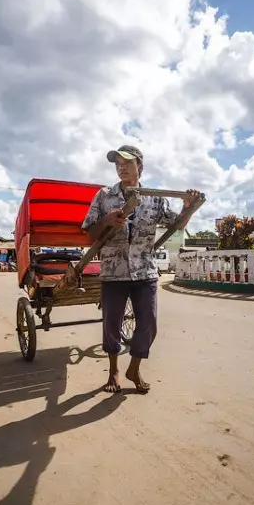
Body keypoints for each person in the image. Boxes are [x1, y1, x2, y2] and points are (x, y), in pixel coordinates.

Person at [81, 144, 200, 394]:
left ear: (140, 166)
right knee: (111, 323)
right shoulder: (104, 196)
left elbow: (177, 225)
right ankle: (113, 370)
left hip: (144, 270)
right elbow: (90, 231)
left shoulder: (155, 198)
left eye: (127, 162)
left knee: (148, 322)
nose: (121, 166)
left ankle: (134, 367)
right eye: (117, 163)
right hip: (114, 271)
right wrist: (106, 221)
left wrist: (188, 206)